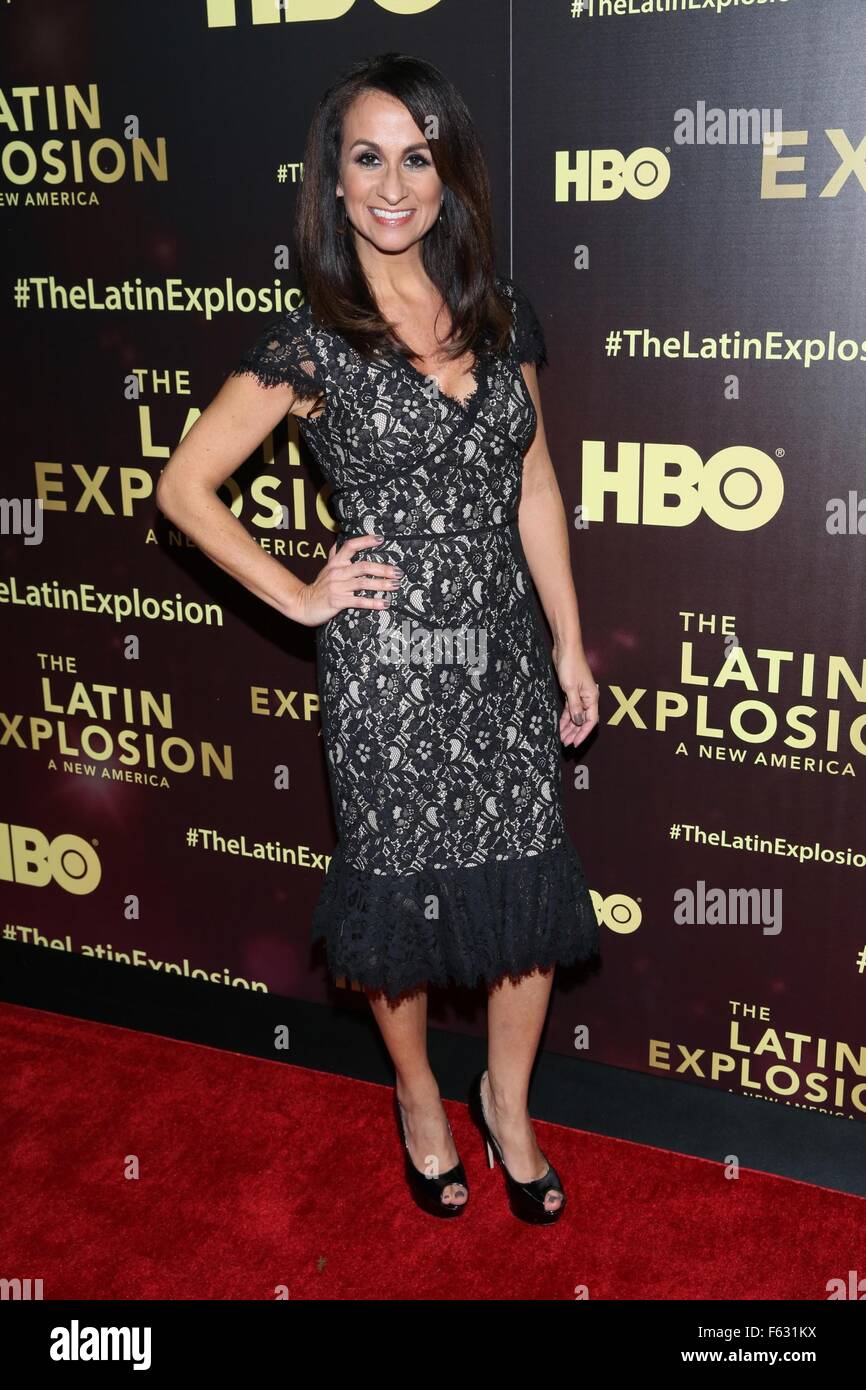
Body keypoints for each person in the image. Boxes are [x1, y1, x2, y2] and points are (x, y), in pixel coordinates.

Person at [156, 52, 601, 1226]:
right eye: (368, 157)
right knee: (397, 909)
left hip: (504, 654)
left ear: (448, 174)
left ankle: (506, 1107)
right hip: (388, 672)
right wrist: (300, 595)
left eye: (417, 155)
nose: (393, 183)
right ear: (334, 181)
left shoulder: (502, 313)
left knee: (524, 898)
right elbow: (184, 487)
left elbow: (536, 485)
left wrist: (565, 640)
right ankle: (413, 1095)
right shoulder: (311, 339)